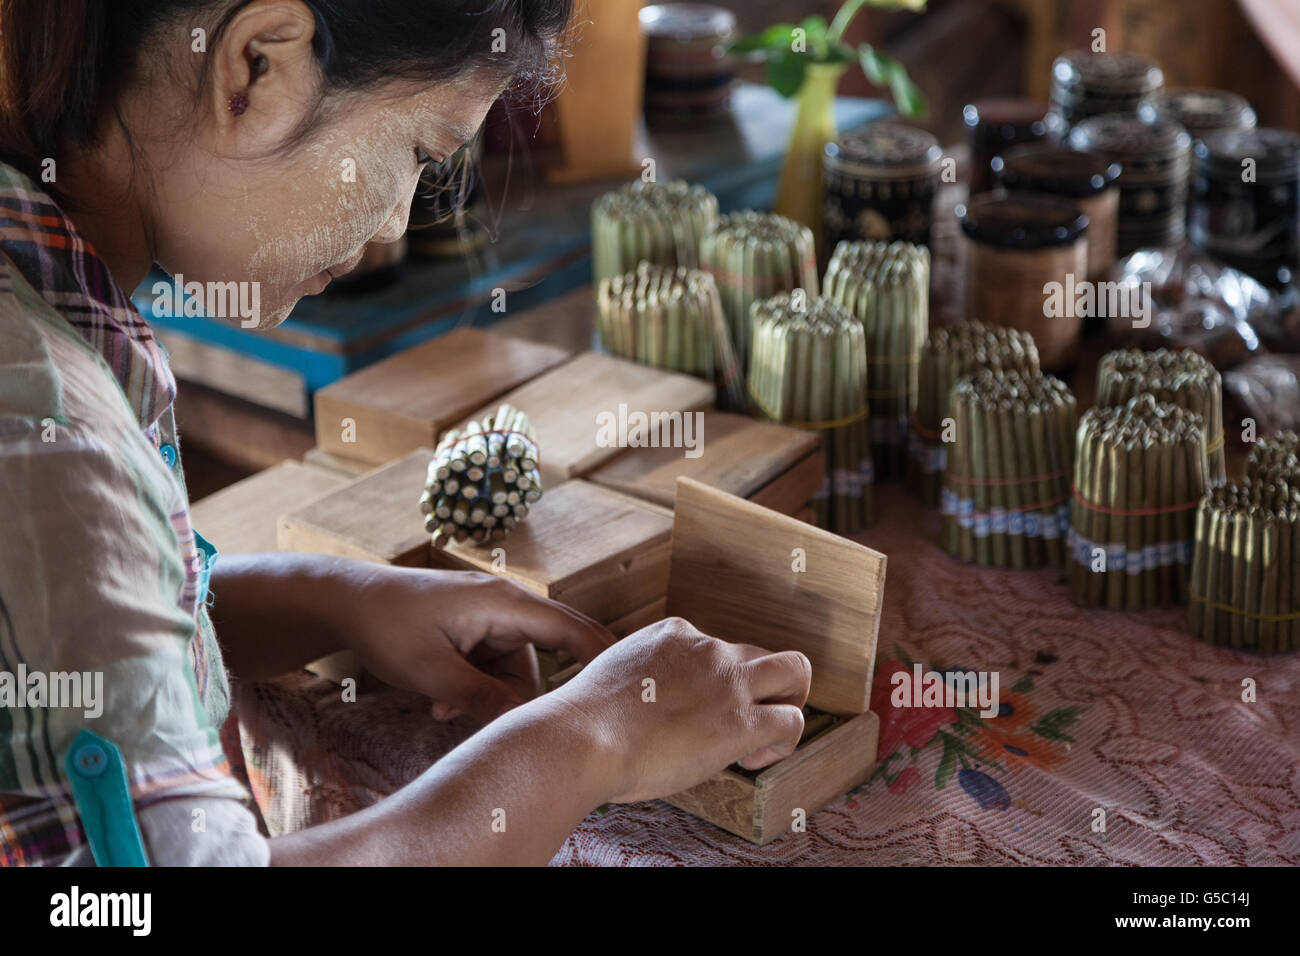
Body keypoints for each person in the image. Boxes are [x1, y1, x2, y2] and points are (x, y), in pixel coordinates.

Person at [0, 0, 811, 866]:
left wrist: (340, 599)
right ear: (257, 68)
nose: (396, 222)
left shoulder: (51, 302)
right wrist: (587, 743)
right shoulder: (52, 427)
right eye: (422, 152)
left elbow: (81, 616)